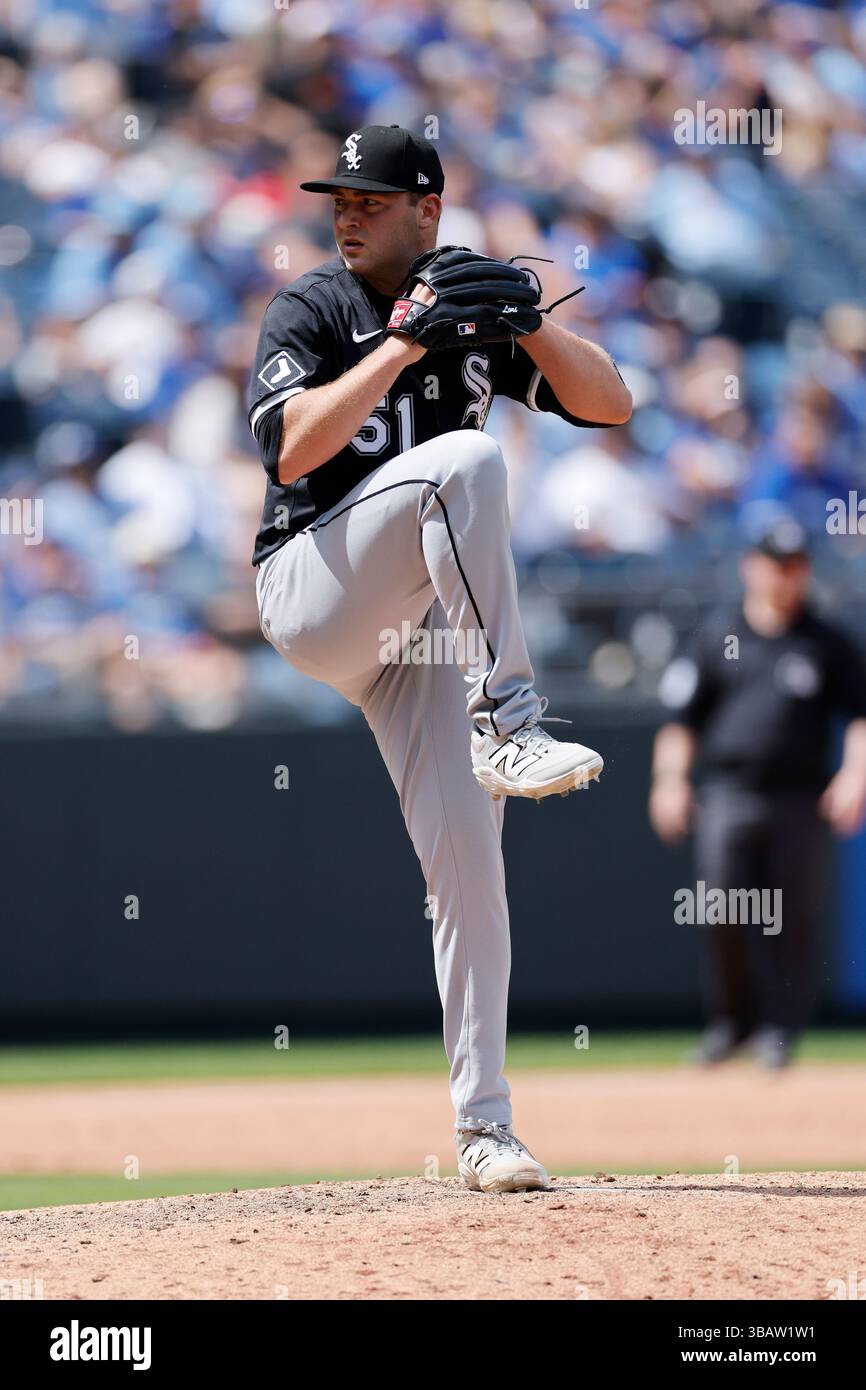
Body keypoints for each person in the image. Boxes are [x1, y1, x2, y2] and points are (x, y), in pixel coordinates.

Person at [248, 125, 631, 1191]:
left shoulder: (464, 308)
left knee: (468, 869)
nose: (347, 210)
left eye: (371, 196)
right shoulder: (313, 307)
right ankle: (507, 719)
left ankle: (484, 1128)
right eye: (340, 196)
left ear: (427, 209)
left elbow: (612, 403)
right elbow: (291, 447)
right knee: (460, 458)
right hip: (316, 589)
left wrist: (528, 328)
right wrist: (402, 344)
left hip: (420, 633)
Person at [650, 518, 866, 1068]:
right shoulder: (717, 636)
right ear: (752, 567)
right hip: (728, 794)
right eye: (776, 563)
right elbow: (681, 719)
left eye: (796, 565)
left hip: (800, 798)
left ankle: (780, 1030)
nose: (785, 576)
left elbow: (860, 715)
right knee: (720, 905)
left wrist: (855, 775)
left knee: (791, 916)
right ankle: (732, 1024)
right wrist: (670, 780)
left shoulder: (826, 642)